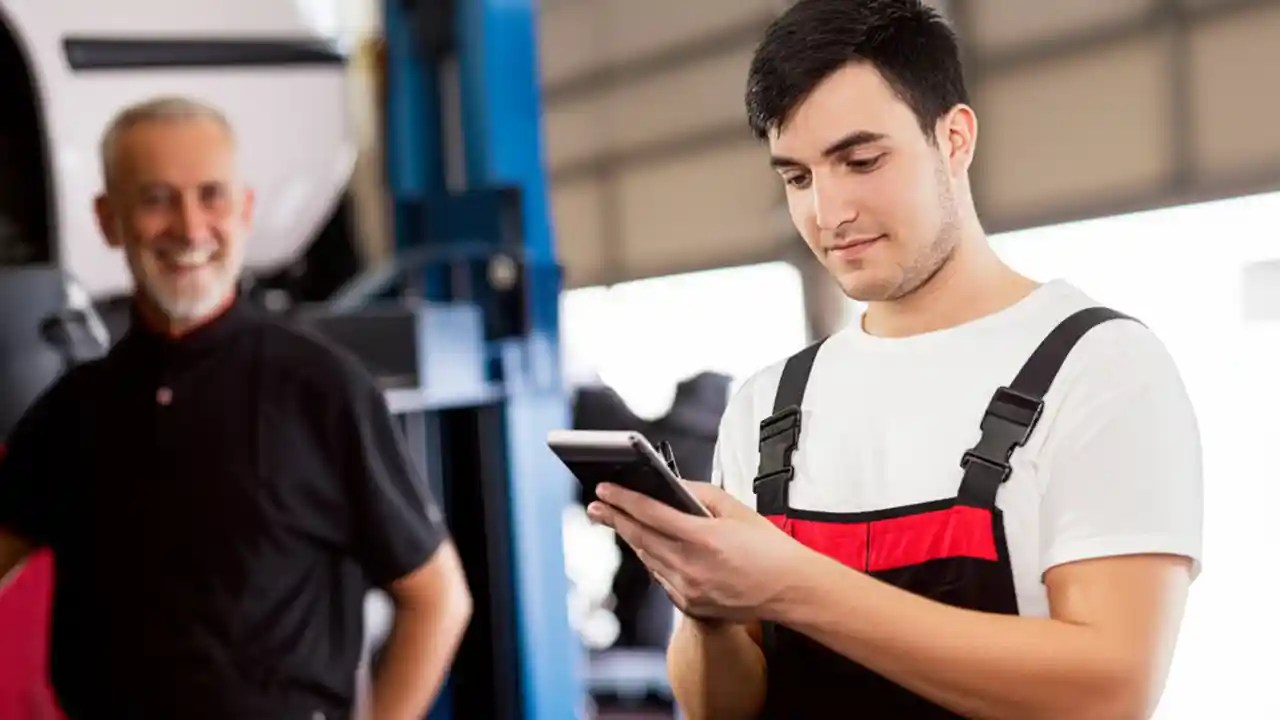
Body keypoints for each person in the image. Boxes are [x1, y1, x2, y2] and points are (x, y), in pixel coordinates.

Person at [585, 2, 1203, 718]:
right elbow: (720, 711)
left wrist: (788, 585)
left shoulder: (1098, 369)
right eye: (797, 178)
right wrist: (704, 601)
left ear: (955, 139)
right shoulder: (766, 406)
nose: (828, 211)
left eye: (861, 161)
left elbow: (1108, 693)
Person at [0, 96, 473, 720]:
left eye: (211, 195)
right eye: (156, 198)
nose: (190, 228)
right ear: (108, 219)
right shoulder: (75, 410)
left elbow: (438, 598)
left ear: (246, 210)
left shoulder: (322, 389)